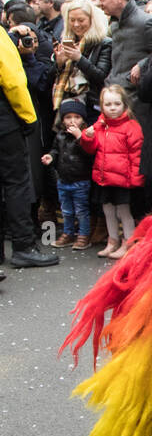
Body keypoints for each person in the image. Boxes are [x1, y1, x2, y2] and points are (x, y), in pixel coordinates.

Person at [0, 28, 59, 267]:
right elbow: (13, 81)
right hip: (4, 120)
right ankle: (23, 246)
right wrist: (28, 117)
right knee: (16, 182)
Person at [78, 84, 143, 259]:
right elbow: (92, 149)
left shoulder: (131, 126)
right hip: (103, 176)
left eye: (116, 104)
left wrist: (135, 179)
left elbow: (136, 155)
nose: (112, 108)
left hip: (123, 179)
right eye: (108, 105)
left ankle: (129, 241)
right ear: (102, 106)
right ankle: (112, 240)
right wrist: (87, 138)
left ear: (124, 105)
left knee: (123, 211)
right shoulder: (100, 126)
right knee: (107, 210)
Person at [41, 99, 95, 249]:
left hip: (81, 180)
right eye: (68, 117)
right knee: (66, 210)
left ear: (83, 119)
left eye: (77, 117)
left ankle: (84, 235)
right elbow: (55, 151)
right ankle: (68, 233)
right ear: (62, 119)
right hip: (63, 180)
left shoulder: (86, 135)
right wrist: (50, 157)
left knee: (81, 210)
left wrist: (80, 137)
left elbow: (89, 153)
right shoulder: (60, 136)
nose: (72, 121)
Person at [51, 0, 112, 121]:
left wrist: (79, 59)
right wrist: (59, 63)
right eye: (72, 20)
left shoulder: (104, 43)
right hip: (66, 105)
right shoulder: (65, 41)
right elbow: (51, 78)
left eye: (81, 20)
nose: (76, 24)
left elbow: (101, 76)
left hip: (91, 105)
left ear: (91, 20)